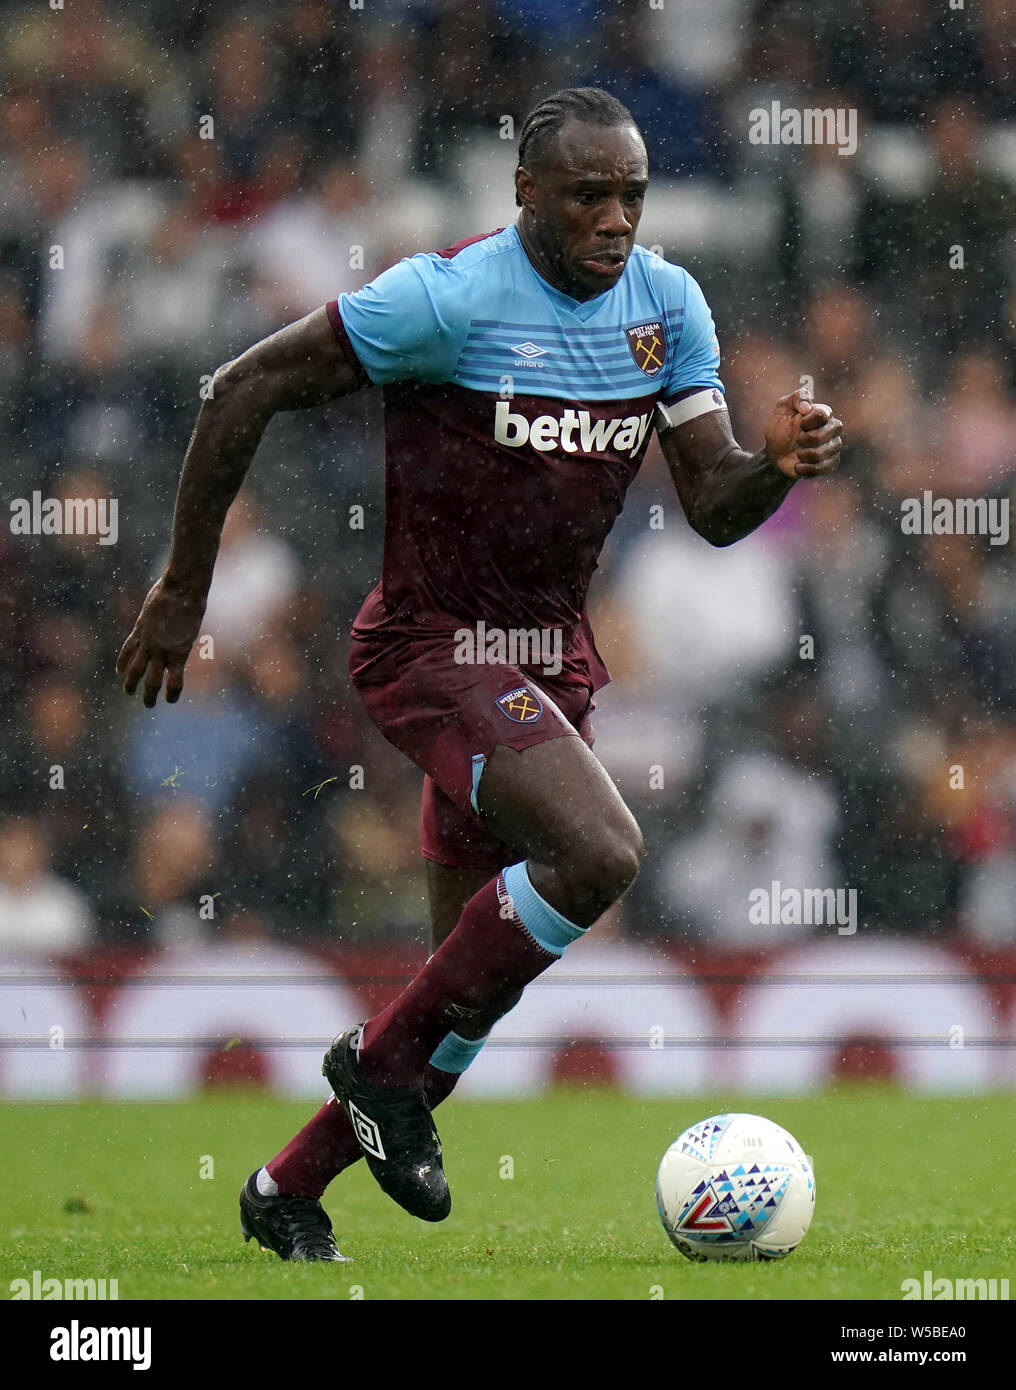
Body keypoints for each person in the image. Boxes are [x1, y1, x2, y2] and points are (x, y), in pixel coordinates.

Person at [116, 88, 842, 1261]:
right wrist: (182, 588)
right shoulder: (442, 299)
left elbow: (712, 503)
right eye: (587, 196)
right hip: (430, 645)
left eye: (632, 197)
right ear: (524, 194)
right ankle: (372, 1070)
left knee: (454, 1003)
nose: (615, 221)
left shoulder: (666, 306)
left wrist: (778, 466)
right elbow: (237, 387)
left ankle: (284, 1189)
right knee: (601, 853)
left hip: (549, 663)